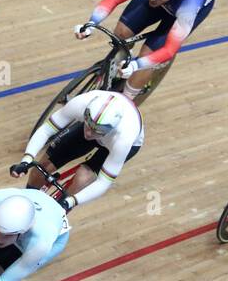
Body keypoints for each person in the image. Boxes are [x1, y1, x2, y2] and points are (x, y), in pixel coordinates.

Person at [73, 0, 216, 104]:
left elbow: (169, 50)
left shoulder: (189, 4)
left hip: (185, 8)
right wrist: (91, 23)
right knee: (121, 33)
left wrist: (136, 65)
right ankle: (118, 68)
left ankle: (125, 101)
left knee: (149, 54)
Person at [11, 89, 143, 207]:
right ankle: (25, 204)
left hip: (116, 144)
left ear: (111, 128)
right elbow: (46, 130)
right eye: (88, 123)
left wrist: (71, 201)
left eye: (98, 130)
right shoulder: (81, 103)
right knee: (40, 169)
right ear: (86, 113)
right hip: (104, 132)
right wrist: (26, 160)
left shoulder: (123, 139)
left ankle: (58, 212)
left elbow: (104, 182)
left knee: (82, 178)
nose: (89, 133)